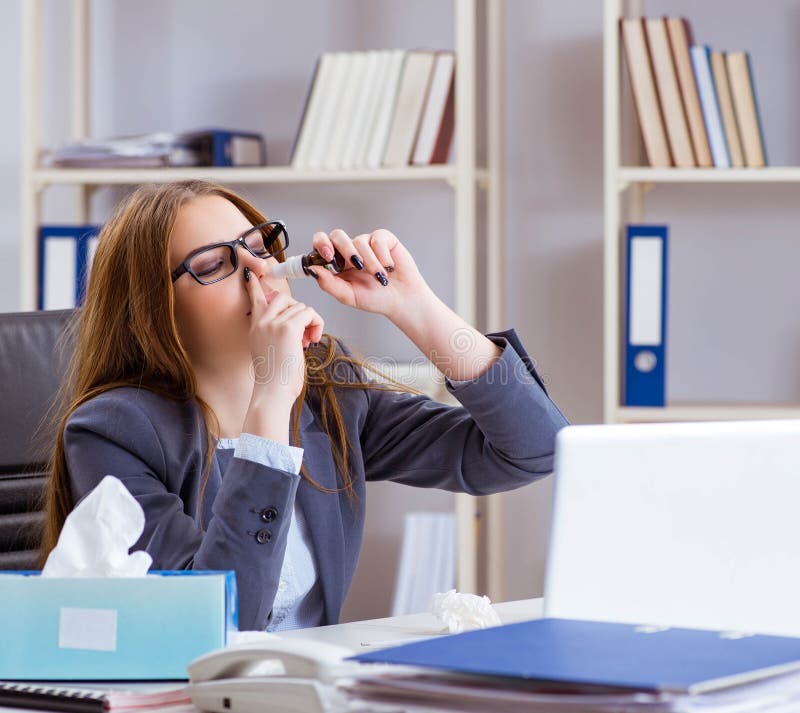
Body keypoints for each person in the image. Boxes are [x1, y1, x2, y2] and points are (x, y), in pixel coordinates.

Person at [41, 180, 568, 631]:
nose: (259, 271)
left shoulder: (328, 395)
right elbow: (218, 622)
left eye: (259, 245)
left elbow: (534, 450)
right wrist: (270, 398)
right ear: (152, 309)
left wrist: (414, 307)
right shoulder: (111, 432)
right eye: (215, 264)